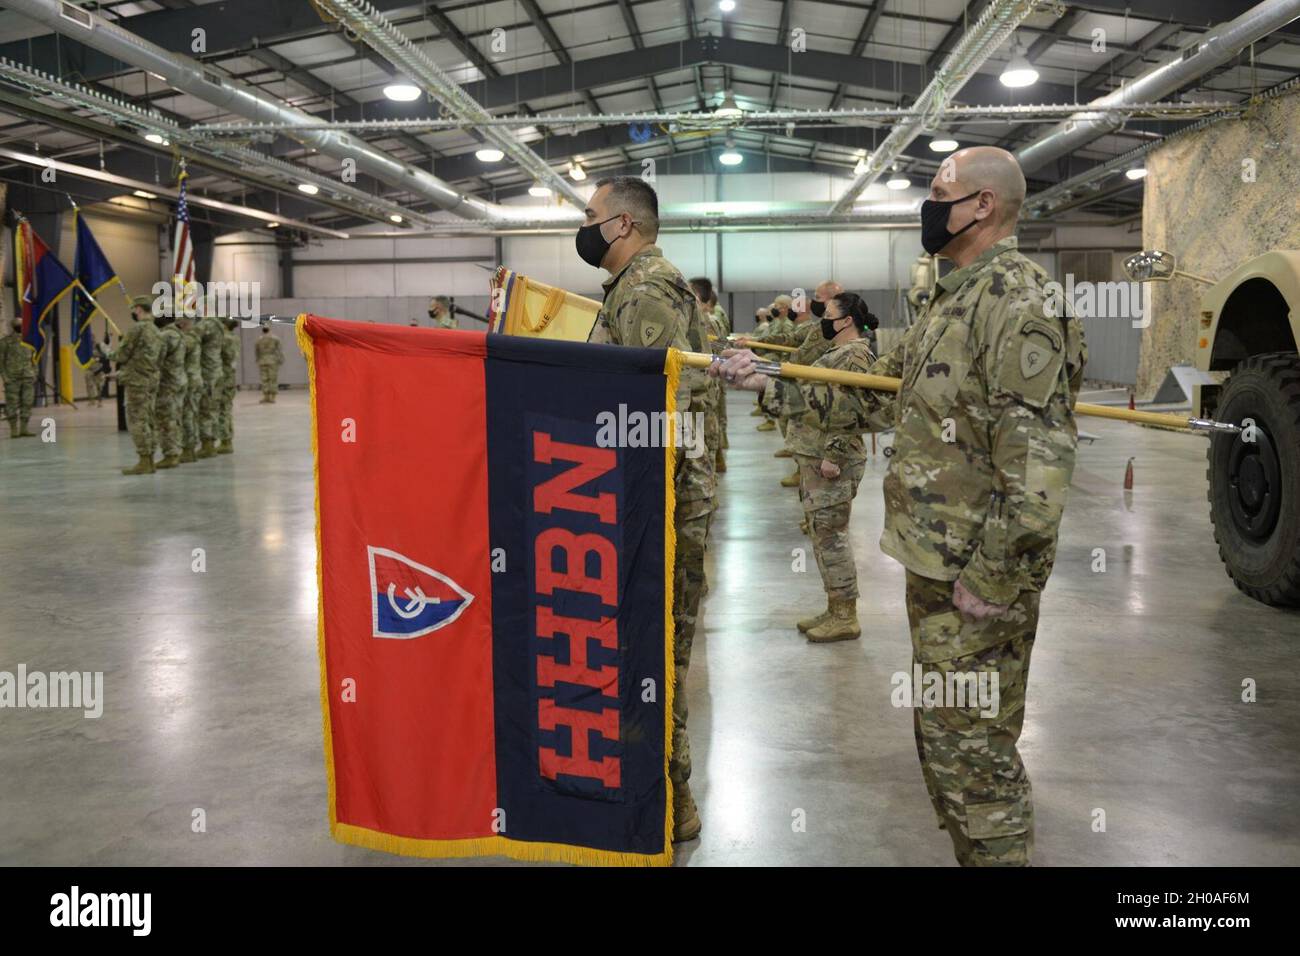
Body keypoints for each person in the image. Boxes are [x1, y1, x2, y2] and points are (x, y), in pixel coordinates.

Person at [712, 146, 1087, 866]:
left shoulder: (1017, 299)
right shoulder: (951, 298)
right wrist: (766, 380)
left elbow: (1040, 469)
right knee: (945, 741)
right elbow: (879, 390)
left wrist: (995, 575)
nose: (927, 204)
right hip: (934, 564)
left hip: (977, 578)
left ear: (982, 205)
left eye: (940, 190)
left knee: (974, 756)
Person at [581, 176, 715, 844]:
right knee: (650, 654)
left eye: (591, 217)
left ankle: (669, 800)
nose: (584, 227)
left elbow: (664, 419)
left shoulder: (645, 291)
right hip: (654, 507)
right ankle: (660, 791)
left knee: (655, 657)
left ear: (624, 225)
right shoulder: (639, 288)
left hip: (659, 513)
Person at [785, 293, 876, 643]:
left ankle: (845, 615)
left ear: (846, 321)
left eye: (830, 314)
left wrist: (833, 457)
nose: (824, 319)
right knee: (822, 534)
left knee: (832, 537)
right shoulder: (838, 353)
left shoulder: (853, 356)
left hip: (833, 459)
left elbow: (848, 409)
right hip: (817, 453)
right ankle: (835, 605)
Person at [107, 295, 163, 474]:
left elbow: (121, 355)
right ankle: (150, 459)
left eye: (134, 309)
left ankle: (144, 460)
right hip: (151, 379)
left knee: (137, 420)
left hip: (137, 382)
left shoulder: (137, 329)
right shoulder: (156, 330)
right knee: (149, 419)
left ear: (138, 309)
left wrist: (105, 351)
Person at [689, 277, 727, 474]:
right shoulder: (708, 321)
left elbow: (717, 353)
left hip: (703, 392)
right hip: (704, 392)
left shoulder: (707, 323)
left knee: (702, 450)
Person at [153, 309, 187, 470]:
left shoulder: (165, 335)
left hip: (167, 383)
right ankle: (177, 450)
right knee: (176, 417)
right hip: (179, 379)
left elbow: (156, 358)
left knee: (166, 419)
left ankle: (170, 454)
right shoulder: (179, 334)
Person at [194, 310, 225, 458]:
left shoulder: (206, 324)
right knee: (213, 409)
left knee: (206, 409)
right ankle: (212, 442)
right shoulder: (219, 324)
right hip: (217, 370)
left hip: (208, 372)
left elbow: (191, 338)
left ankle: (208, 445)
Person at [0, 318, 37, 438]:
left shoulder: (29, 341)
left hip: (27, 376)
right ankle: (14, 429)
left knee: (27, 402)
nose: (21, 327)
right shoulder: (5, 342)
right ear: (13, 326)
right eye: (18, 325)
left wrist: (35, 373)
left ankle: (24, 428)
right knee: (12, 404)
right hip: (12, 377)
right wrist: (5, 377)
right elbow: (1, 361)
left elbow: (34, 359)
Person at [177, 314, 202, 462]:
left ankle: (188, 449)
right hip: (194, 379)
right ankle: (190, 448)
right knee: (191, 415)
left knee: (187, 415)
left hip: (190, 380)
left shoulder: (189, 339)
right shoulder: (195, 337)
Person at [217, 317, 239, 454]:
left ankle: (225, 441)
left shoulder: (225, 338)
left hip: (224, 377)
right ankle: (227, 439)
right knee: (226, 409)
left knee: (223, 409)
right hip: (230, 376)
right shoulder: (234, 337)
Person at [255, 324, 284, 403]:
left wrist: (257, 360)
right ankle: (273, 397)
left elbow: (257, 351)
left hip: (262, 361)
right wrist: (281, 359)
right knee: (273, 379)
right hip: (273, 360)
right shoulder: (275, 339)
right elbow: (279, 350)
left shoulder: (259, 340)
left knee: (264, 379)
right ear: (269, 329)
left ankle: (266, 397)